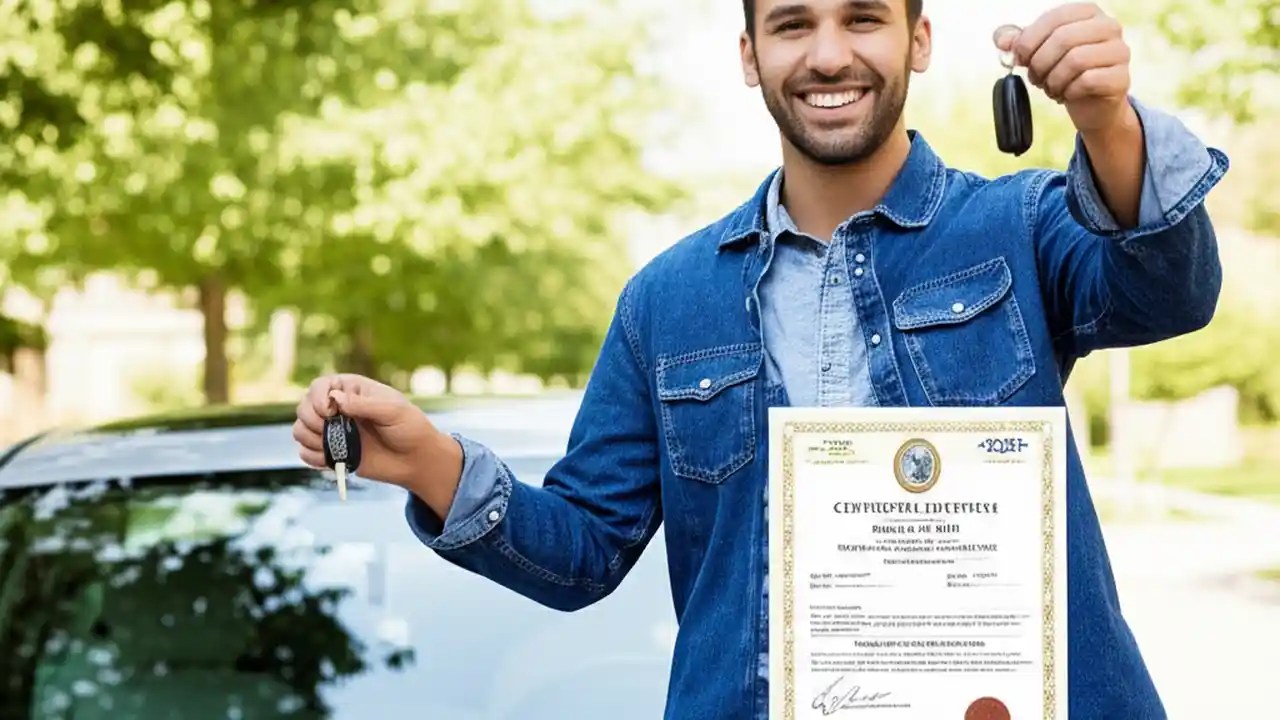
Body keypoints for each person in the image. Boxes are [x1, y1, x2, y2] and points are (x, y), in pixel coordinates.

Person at [293, 1, 1227, 717]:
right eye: (790, 23)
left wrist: (1108, 124)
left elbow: (1168, 292)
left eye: (862, 16)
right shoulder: (666, 300)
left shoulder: (1019, 227)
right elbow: (581, 553)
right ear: (750, 55)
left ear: (919, 40)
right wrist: (426, 462)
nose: (827, 53)